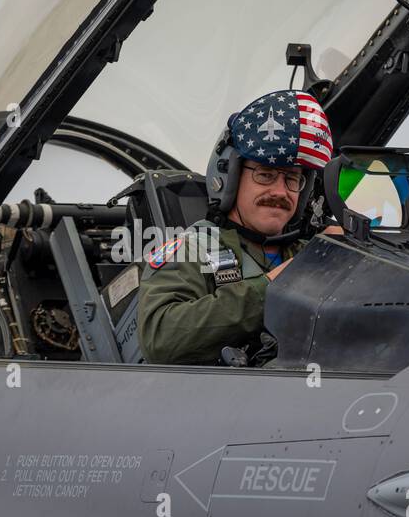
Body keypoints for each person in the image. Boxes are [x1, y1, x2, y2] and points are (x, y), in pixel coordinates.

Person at [137, 89, 335, 365]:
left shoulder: (315, 255)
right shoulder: (191, 251)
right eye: (265, 175)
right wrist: (276, 285)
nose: (280, 191)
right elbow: (160, 338)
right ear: (229, 177)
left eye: (292, 179)